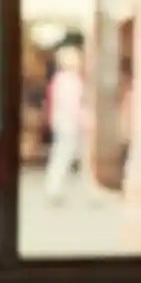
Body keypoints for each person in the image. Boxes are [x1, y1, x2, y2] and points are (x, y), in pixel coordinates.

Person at [43, 45, 87, 203]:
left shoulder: (65, 79)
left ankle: (85, 189)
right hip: (69, 122)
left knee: (70, 154)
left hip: (66, 121)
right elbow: (70, 104)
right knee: (64, 154)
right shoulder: (67, 80)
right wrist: (82, 118)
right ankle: (54, 188)